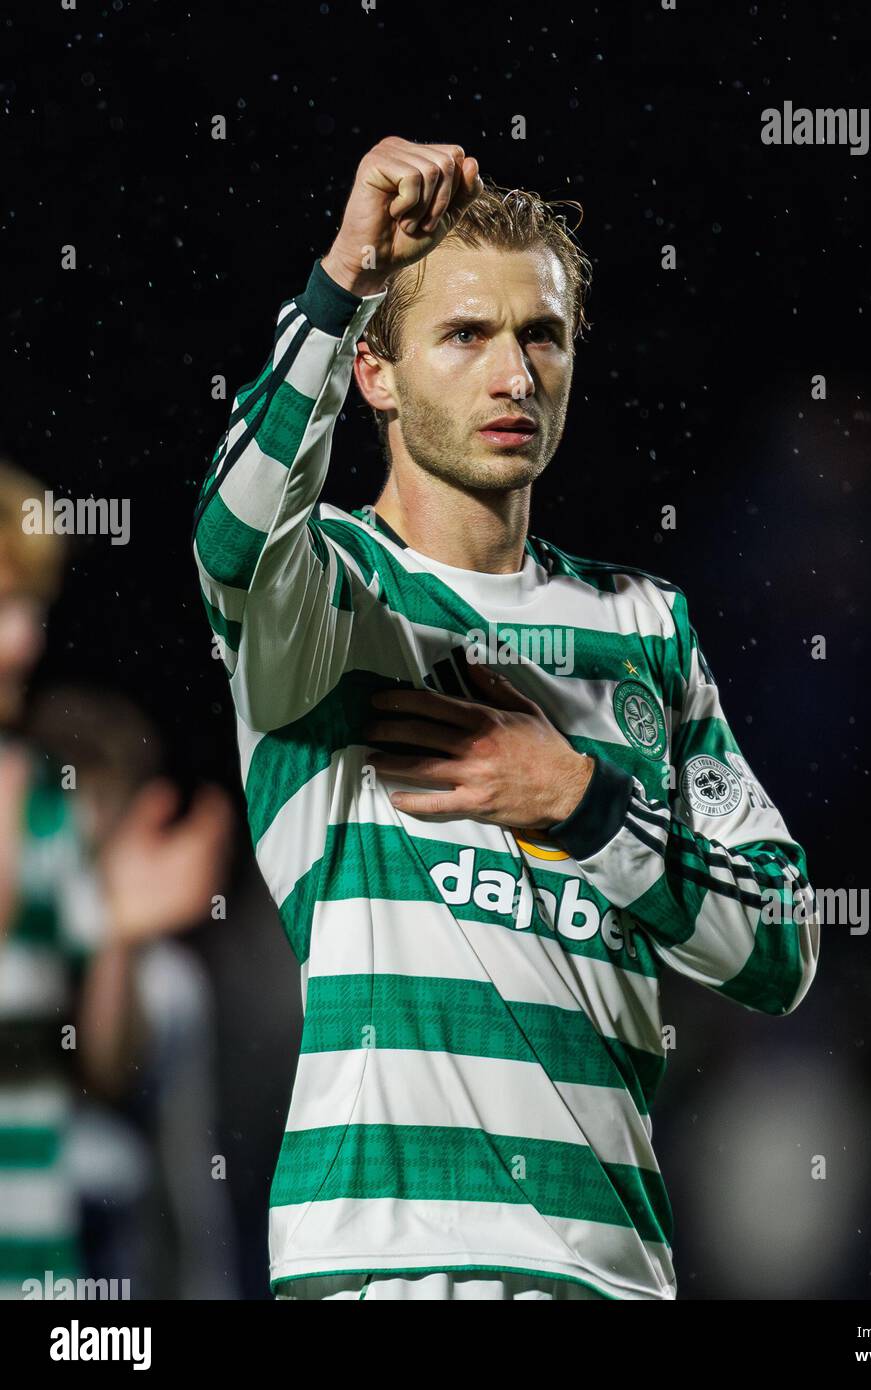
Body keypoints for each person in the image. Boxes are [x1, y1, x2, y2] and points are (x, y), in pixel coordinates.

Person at [193, 137, 820, 1301]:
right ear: (376, 373)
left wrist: (581, 804)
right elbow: (230, 533)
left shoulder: (646, 624)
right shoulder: (330, 594)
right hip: (385, 1266)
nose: (515, 375)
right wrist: (342, 280)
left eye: (542, 335)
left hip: (610, 1274)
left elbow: (780, 944)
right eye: (466, 335)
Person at [0, 459, 231, 1298]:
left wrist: (117, 945)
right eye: (0, 609)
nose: (24, 641)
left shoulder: (44, 813)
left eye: (29, 609)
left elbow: (106, 1073)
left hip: (36, 1267)